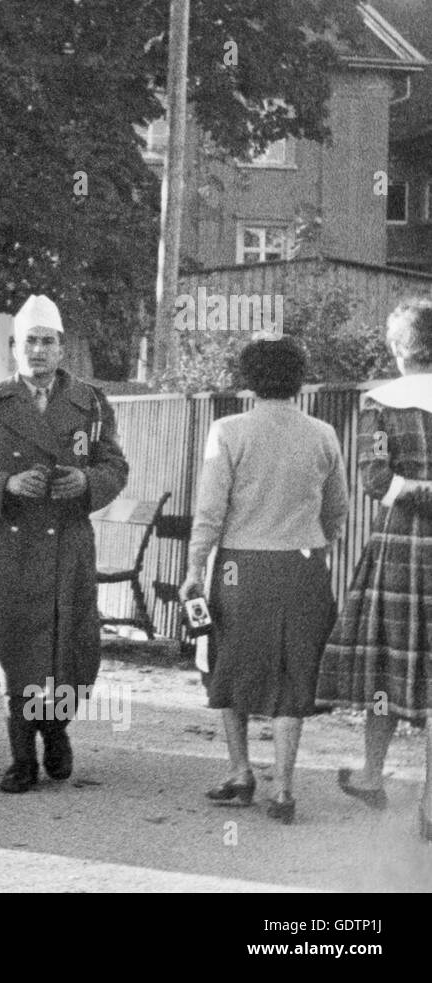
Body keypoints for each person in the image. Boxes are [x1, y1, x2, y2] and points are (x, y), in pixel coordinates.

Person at [0, 295, 128, 793]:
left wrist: (87, 482)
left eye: (47, 342)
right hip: (10, 546)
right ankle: (21, 755)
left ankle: (56, 728)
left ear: (61, 348)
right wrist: (4, 486)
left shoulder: (91, 402)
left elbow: (115, 466)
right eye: (29, 341)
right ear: (14, 347)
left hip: (68, 545)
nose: (38, 351)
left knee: (73, 650)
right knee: (19, 650)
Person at [180, 336, 348, 824]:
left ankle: (240, 772)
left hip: (239, 568)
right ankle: (285, 788)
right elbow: (336, 508)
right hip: (303, 567)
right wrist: (318, 542)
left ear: (248, 378)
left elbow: (210, 511)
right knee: (294, 674)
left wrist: (195, 567)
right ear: (300, 378)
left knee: (228, 665)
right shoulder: (323, 433)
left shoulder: (228, 430)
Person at [316, 299, 432, 841]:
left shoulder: (379, 404)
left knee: (388, 662)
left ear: (396, 348)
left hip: (402, 545)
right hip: (407, 547)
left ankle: (371, 774)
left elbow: (375, 480)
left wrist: (418, 491)